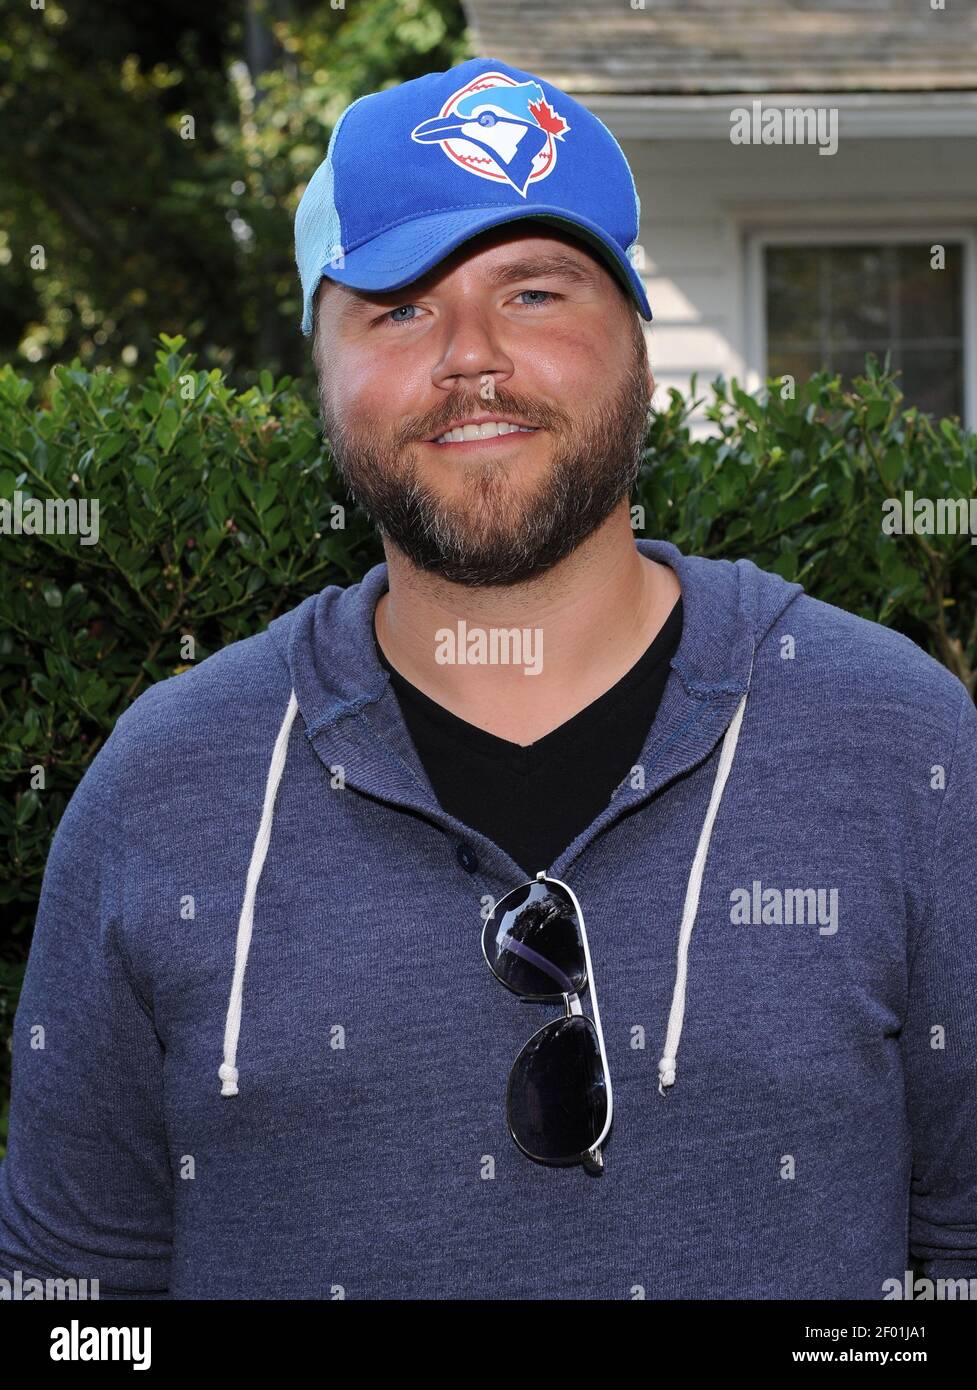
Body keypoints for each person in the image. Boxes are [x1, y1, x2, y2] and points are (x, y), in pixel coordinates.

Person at [1, 55, 975, 1301]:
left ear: (636, 340)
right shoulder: (163, 780)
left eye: (531, 290)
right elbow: (69, 1306)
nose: (469, 355)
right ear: (319, 373)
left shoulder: (899, 743)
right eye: (398, 307)